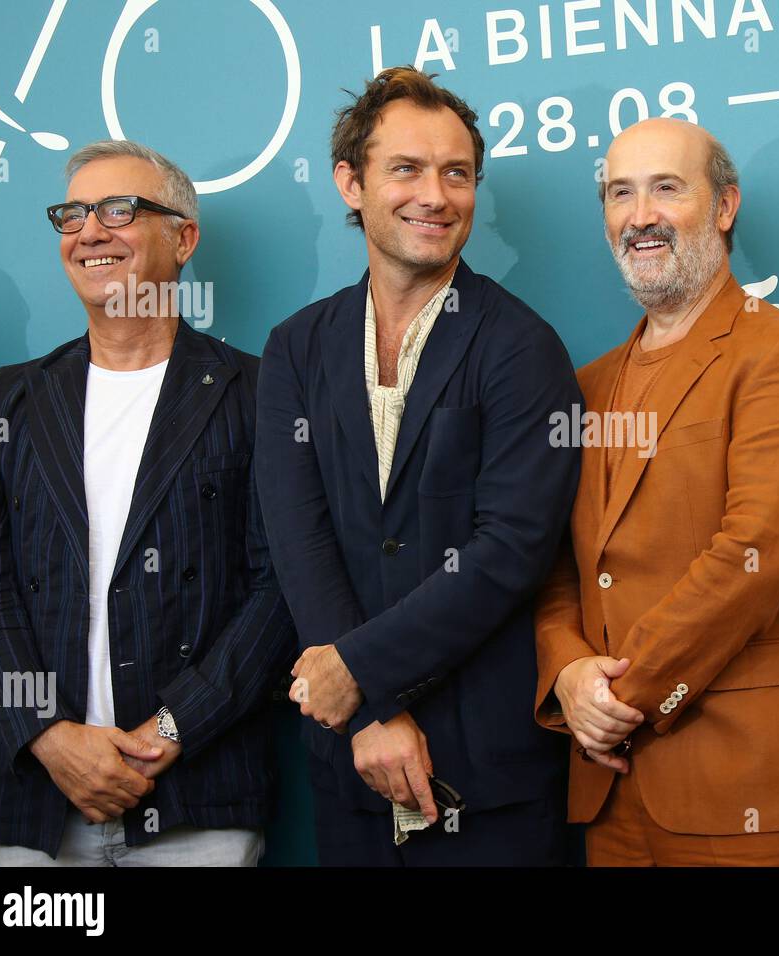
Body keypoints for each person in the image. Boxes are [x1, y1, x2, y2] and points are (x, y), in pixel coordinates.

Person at [534, 117, 779, 866]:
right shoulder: (586, 388)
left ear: (726, 206)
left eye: (668, 188)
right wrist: (567, 672)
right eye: (620, 194)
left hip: (762, 786)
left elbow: (759, 552)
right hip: (612, 793)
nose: (641, 216)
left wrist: (624, 696)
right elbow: (553, 561)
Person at [255, 67, 581, 866]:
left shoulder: (521, 346)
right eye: (406, 168)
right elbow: (299, 541)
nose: (435, 194)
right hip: (350, 772)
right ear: (351, 182)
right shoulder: (296, 348)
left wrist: (357, 673)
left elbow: (509, 552)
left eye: (457, 173)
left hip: (489, 771)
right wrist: (368, 713)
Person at [0, 140, 295, 865]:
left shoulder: (260, 393)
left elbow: (279, 591)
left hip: (200, 795)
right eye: (73, 214)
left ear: (184, 237)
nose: (89, 231)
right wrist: (48, 735)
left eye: (118, 209)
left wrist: (169, 733)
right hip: (36, 797)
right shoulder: (1, 400)